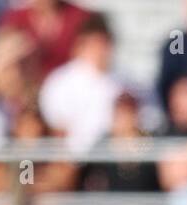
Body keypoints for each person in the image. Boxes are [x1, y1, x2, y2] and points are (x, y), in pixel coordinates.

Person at [38, 12, 126, 156]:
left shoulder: (129, 82)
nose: (99, 50)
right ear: (79, 46)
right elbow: (55, 128)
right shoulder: (59, 83)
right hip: (72, 159)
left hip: (116, 159)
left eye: (103, 43)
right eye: (93, 44)